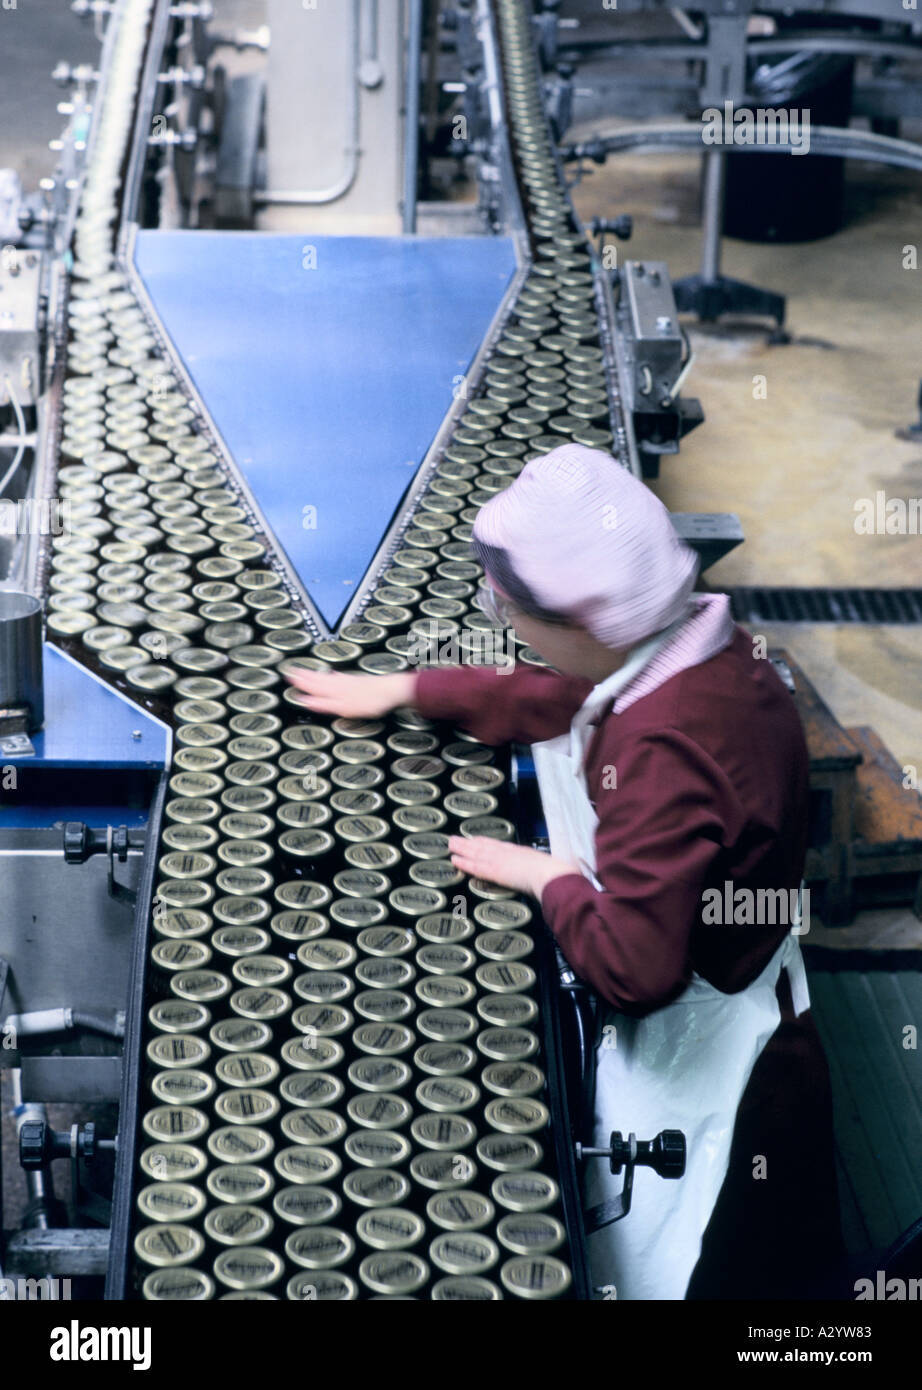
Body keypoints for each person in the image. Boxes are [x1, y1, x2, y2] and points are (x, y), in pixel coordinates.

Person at [287, 443, 844, 1301]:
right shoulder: (703, 648)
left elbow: (635, 969)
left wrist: (545, 876)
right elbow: (571, 700)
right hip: (754, 967)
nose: (503, 622)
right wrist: (412, 689)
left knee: (721, 1271)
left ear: (585, 618)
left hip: (721, 1055)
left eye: (508, 610)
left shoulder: (663, 751)